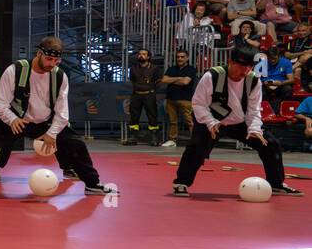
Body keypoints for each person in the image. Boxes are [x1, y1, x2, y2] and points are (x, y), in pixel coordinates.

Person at [0, 36, 114, 198]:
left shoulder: (60, 76)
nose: (52, 64)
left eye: (56, 60)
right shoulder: (15, 70)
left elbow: (62, 111)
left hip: (45, 122)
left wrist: (52, 133)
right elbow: (0, 102)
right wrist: (12, 119)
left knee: (75, 144)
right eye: (49, 59)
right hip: (16, 120)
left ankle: (92, 184)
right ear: (38, 54)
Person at [172, 43, 300, 197]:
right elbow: (198, 104)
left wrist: (254, 129)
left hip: (240, 122)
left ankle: (276, 184)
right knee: (196, 146)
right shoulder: (212, 76)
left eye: (250, 66)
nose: (246, 71)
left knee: (270, 144)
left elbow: (254, 110)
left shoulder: (253, 81)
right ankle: (181, 182)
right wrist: (211, 122)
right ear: (231, 62)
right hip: (213, 120)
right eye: (242, 66)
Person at [123, 48, 161, 146]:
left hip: (149, 95)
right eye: (139, 54)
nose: (141, 56)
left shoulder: (154, 68)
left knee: (152, 116)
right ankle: (132, 137)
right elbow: (132, 80)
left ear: (148, 57)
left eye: (144, 54)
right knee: (134, 117)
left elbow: (158, 82)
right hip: (136, 95)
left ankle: (154, 138)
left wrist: (150, 89)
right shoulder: (133, 68)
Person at [160, 49, 196, 148]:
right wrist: (179, 78)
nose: (179, 59)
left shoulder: (191, 69)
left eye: (182, 57)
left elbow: (185, 82)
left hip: (185, 99)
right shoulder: (171, 68)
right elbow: (164, 80)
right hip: (170, 99)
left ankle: (195, 141)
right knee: (172, 121)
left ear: (187, 58)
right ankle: (172, 140)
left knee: (190, 121)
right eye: (178, 57)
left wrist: (172, 80)